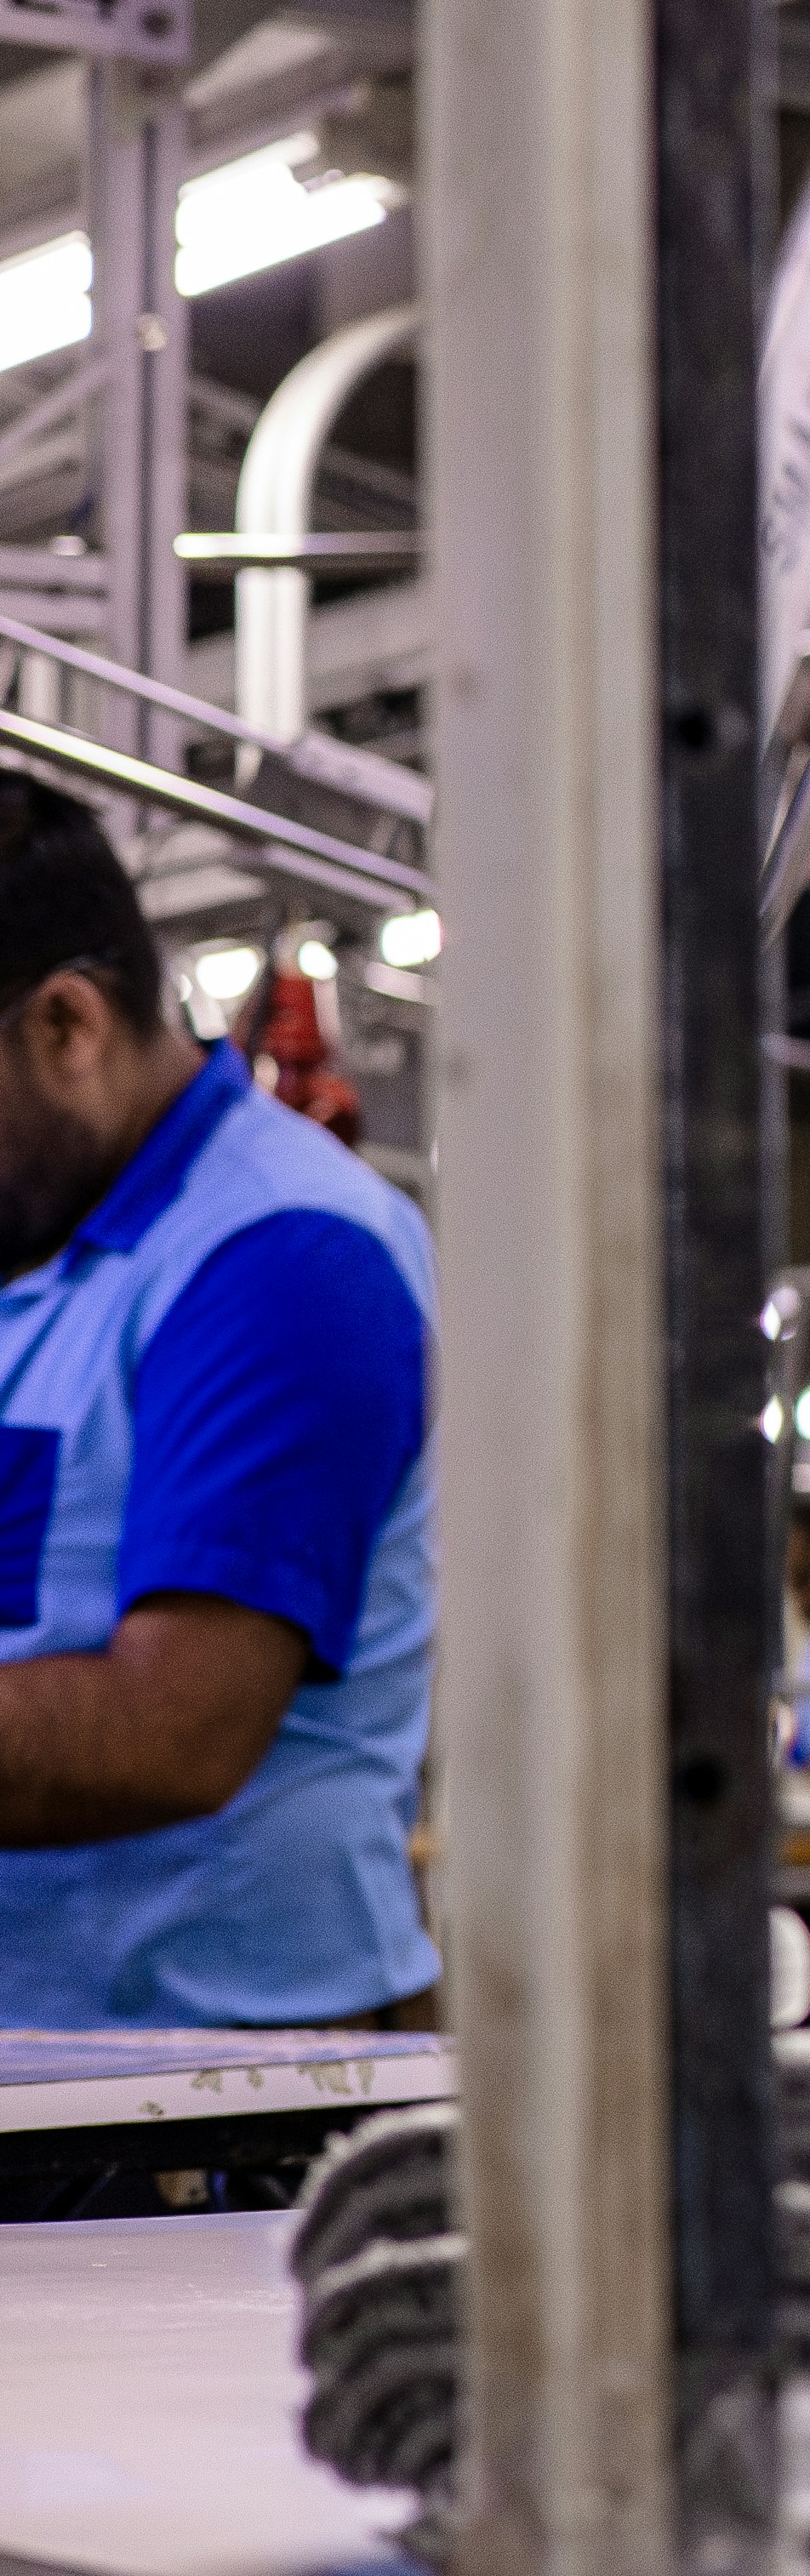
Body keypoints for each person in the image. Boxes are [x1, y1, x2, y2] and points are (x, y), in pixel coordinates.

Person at [0, 786, 437, 2028]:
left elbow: (174, 1727)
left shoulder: (280, 1253)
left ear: (67, 1025)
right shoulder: (45, 1257)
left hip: (211, 2112)